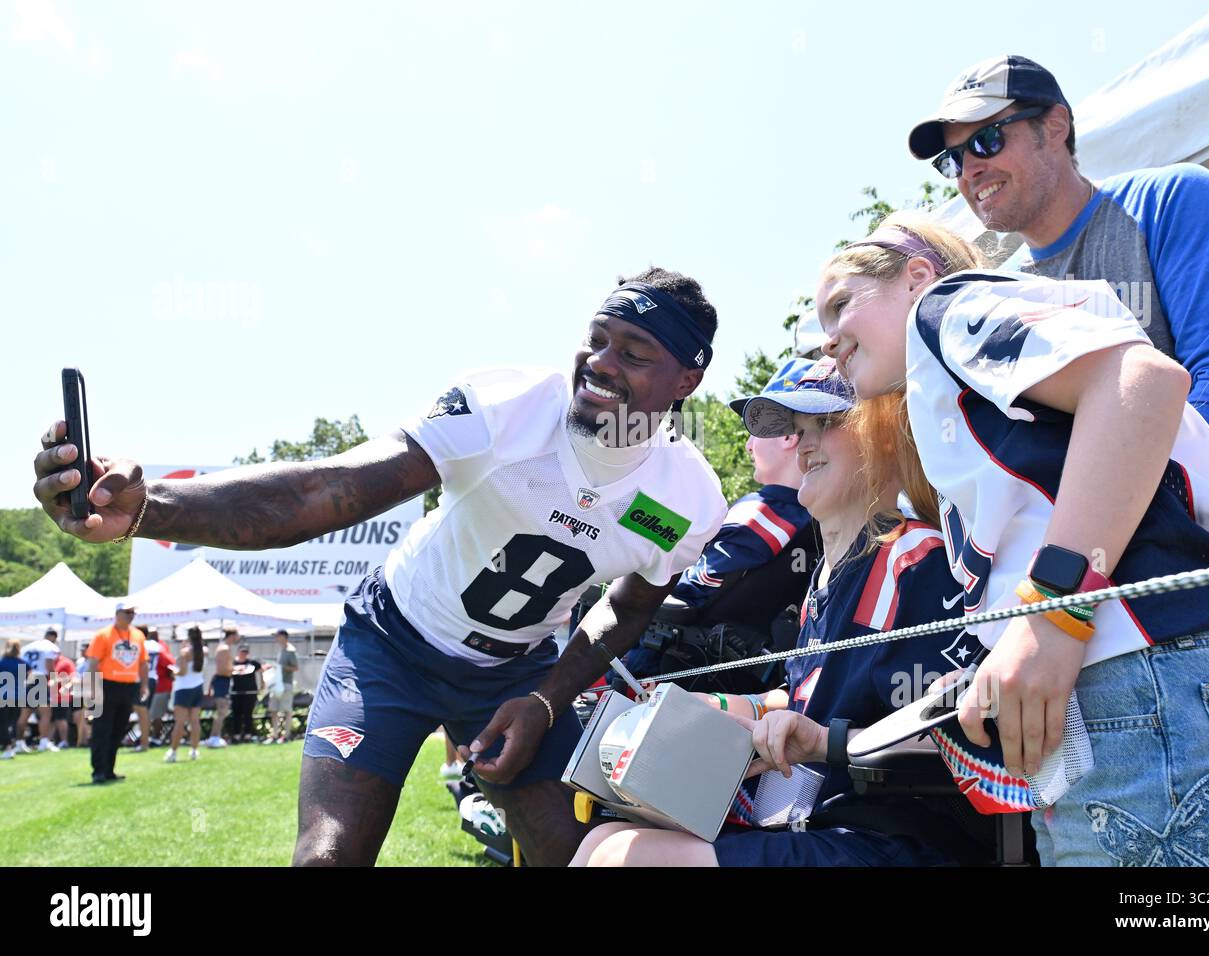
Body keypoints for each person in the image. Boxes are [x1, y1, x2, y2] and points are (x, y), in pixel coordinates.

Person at [33, 267, 728, 866]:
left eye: (634, 352)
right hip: (393, 644)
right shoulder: (509, 408)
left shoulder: (681, 499)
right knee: (328, 856)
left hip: (515, 671)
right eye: (598, 338)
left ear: (686, 381)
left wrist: (546, 699)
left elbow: (630, 605)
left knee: (576, 856)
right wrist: (151, 508)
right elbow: (329, 491)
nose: (601, 362)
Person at [816, 211, 1209, 866]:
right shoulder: (951, 398)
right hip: (1149, 701)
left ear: (917, 276)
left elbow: (1143, 382)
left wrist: (1054, 613)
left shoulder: (947, 307)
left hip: (1150, 692)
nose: (827, 340)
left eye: (840, 304)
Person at [908, 54, 1209, 666]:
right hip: (1095, 632)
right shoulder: (1000, 290)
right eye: (954, 158)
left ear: (1057, 125)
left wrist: (1101, 554)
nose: (971, 168)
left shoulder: (1173, 199)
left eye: (987, 138)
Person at [574, 362, 972, 866]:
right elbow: (805, 696)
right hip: (821, 820)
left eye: (825, 425)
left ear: (886, 434)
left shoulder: (917, 559)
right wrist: (714, 709)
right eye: (797, 430)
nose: (803, 444)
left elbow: (952, 732)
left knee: (626, 859)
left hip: (893, 839)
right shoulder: (828, 576)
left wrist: (822, 743)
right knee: (598, 839)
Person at [610, 358, 818, 694]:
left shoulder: (765, 512)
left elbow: (686, 595)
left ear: (786, 437)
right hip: (743, 694)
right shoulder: (820, 523)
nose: (749, 444)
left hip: (668, 682)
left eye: (756, 431)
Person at [84, 602, 149, 784]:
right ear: (117, 613)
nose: (130, 616)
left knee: (118, 729)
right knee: (102, 729)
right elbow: (93, 662)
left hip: (128, 686)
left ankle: (109, 770)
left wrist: (144, 684)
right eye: (127, 612)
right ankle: (98, 770)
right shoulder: (103, 635)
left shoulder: (138, 635)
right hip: (106, 685)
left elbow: (143, 663)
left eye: (132, 613)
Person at [16, 628, 60, 753]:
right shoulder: (49, 647)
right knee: (46, 713)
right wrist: (53, 680)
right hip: (40, 679)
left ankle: (19, 743)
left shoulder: (28, 647)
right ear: (53, 637)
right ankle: (44, 742)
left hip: (26, 680)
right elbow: (49, 665)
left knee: (24, 714)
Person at [165, 626, 205, 763]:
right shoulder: (202, 651)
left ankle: (173, 752)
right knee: (195, 721)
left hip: (183, 689)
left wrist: (172, 671)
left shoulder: (185, 652)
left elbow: (181, 672)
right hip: (198, 687)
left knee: (179, 722)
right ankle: (194, 750)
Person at [133, 626, 164, 752]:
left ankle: (144, 742)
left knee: (142, 712)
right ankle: (143, 739)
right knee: (144, 712)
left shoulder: (140, 645)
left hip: (141, 679)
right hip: (153, 679)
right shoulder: (156, 645)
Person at [263, 630, 297, 744]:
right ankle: (275, 735)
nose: (276, 638)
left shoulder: (290, 650)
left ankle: (286, 735)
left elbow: (295, 668)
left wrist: (279, 667)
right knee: (273, 710)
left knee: (287, 710)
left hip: (286, 685)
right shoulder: (281, 650)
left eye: (277, 636)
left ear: (283, 637)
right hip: (276, 686)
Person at [205, 626, 235, 747]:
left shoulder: (225, 648)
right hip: (222, 681)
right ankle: (214, 736)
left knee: (223, 710)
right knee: (221, 710)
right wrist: (234, 670)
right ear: (232, 636)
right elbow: (222, 669)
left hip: (224, 681)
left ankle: (215, 735)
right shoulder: (223, 649)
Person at [229, 644, 263, 743]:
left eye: (245, 652)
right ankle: (236, 735)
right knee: (236, 714)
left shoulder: (252, 663)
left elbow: (261, 671)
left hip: (250, 692)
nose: (243, 654)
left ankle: (248, 735)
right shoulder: (233, 663)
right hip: (236, 692)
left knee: (248, 714)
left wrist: (262, 684)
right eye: (242, 652)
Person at [0, 639, 27, 760]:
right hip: (18, 696)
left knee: (3, 723)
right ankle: (11, 745)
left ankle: (8, 748)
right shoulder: (22, 663)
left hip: (4, 696)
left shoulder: (2, 662)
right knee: (11, 722)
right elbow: (31, 677)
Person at [149, 636, 176, 744]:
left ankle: (156, 738)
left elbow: (171, 664)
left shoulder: (159, 647)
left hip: (161, 687)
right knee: (150, 714)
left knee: (156, 715)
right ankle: (153, 737)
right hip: (152, 687)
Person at [49, 649, 76, 748]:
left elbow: (73, 677)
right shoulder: (49, 662)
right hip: (50, 696)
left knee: (60, 719)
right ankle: (47, 741)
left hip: (62, 696)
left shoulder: (66, 662)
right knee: (50, 720)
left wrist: (59, 681)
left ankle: (64, 741)